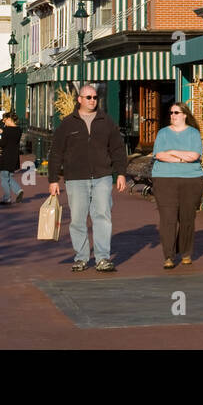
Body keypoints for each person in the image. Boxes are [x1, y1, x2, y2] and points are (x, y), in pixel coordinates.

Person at [48, 85, 128, 273]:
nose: (93, 100)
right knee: (77, 219)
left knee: (102, 217)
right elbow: (56, 152)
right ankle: (81, 257)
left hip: (102, 176)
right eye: (89, 97)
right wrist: (53, 180)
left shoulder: (106, 121)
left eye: (95, 97)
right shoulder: (67, 123)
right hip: (76, 178)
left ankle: (102, 258)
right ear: (80, 100)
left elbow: (117, 149)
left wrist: (121, 173)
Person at [152, 101, 203, 270]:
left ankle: (186, 253)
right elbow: (159, 155)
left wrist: (172, 152)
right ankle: (168, 256)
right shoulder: (163, 133)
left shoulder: (193, 133)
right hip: (164, 179)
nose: (172, 116)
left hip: (191, 179)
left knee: (187, 217)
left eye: (176, 112)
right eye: (171, 113)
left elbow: (195, 155)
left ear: (184, 115)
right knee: (168, 218)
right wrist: (182, 157)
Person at [0, 111, 24, 205]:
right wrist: (3, 132)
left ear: (9, 119)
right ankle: (18, 190)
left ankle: (7, 198)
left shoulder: (7, 130)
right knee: (9, 176)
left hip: (6, 156)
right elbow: (11, 137)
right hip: (14, 156)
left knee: (4, 176)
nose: (4, 122)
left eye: (5, 120)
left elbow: (2, 143)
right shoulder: (19, 130)